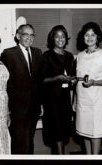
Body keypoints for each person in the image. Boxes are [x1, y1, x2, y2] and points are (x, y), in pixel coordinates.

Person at [0, 24, 43, 154]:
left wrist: (40, 104)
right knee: (19, 144)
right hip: (17, 108)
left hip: (34, 107)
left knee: (30, 141)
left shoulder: (37, 52)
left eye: (32, 35)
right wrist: (7, 109)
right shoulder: (9, 53)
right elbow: (4, 83)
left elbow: (39, 81)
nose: (29, 38)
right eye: (25, 34)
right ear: (18, 36)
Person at [75, 22, 102, 154]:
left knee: (95, 134)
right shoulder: (80, 56)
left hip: (97, 103)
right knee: (85, 133)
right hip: (82, 102)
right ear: (83, 37)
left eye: (93, 35)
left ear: (98, 37)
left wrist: (94, 83)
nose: (90, 38)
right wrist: (75, 101)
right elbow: (78, 80)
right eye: (87, 35)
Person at [41, 25, 76, 154]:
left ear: (66, 39)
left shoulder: (69, 56)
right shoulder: (47, 56)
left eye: (63, 36)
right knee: (57, 132)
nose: (60, 39)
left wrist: (73, 80)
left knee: (64, 131)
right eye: (57, 36)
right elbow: (42, 80)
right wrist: (57, 78)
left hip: (65, 99)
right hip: (52, 100)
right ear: (53, 39)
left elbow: (71, 76)